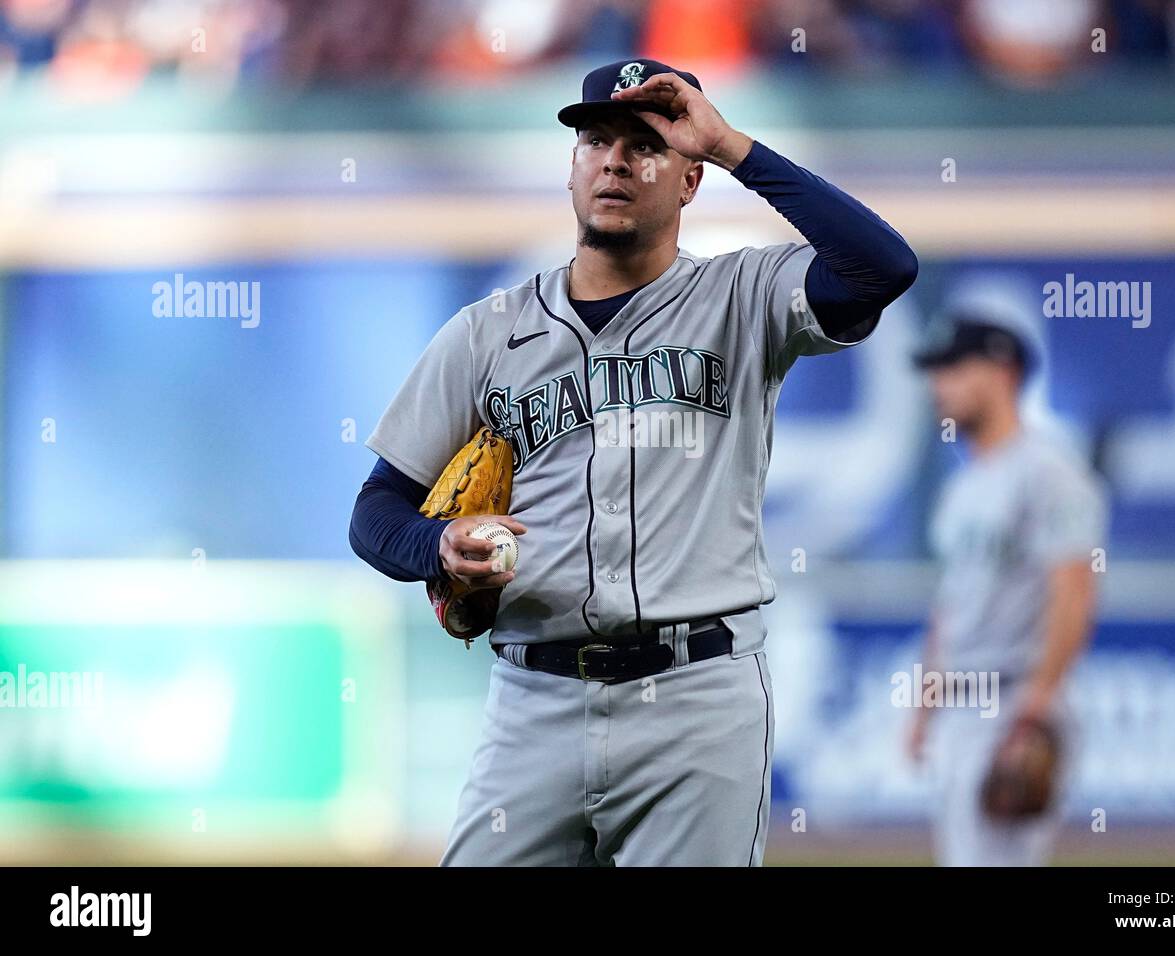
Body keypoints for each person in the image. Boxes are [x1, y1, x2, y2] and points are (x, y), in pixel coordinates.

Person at [349, 58, 917, 866]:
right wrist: (436, 546)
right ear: (574, 165)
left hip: (697, 699)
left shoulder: (743, 297)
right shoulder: (487, 333)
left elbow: (882, 266)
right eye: (595, 141)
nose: (613, 159)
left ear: (690, 180)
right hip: (534, 698)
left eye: (645, 145)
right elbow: (375, 512)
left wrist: (731, 146)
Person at [907, 301, 1108, 866]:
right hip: (962, 706)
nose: (937, 385)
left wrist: (1038, 702)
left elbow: (1074, 587)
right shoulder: (965, 483)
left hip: (1012, 698)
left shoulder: (1048, 471)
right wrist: (926, 705)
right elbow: (950, 603)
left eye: (953, 368)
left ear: (1002, 372)